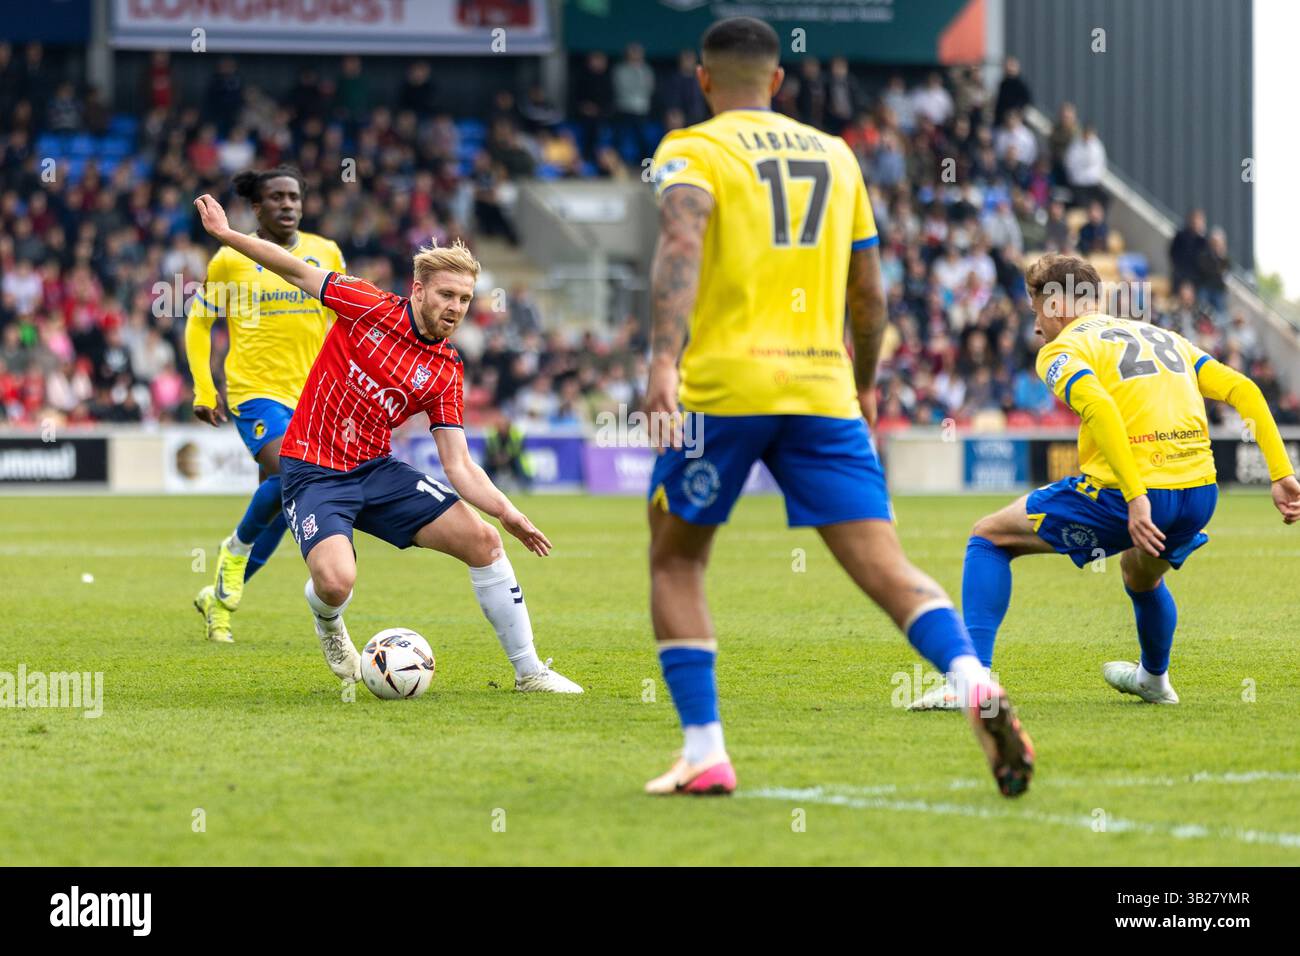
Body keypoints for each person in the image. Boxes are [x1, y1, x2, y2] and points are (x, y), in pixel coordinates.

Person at [642, 16, 1034, 798]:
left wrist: (659, 358)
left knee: (677, 555)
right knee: (886, 568)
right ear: (779, 82)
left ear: (704, 79)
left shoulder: (692, 147)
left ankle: (706, 751)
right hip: (823, 389)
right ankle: (968, 677)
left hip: (726, 388)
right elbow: (871, 290)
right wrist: (865, 381)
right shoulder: (837, 154)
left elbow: (683, 239)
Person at [192, 192, 582, 694]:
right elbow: (293, 269)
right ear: (418, 290)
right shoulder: (366, 305)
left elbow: (458, 465)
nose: (455, 308)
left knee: (484, 542)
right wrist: (228, 236)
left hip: (376, 470)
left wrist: (507, 513)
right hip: (312, 468)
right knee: (335, 583)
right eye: (446, 295)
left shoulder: (446, 371)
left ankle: (530, 672)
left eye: (464, 299)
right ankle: (329, 624)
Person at [910, 254, 1300, 710]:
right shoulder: (1163, 336)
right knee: (1140, 575)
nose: (1035, 323)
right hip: (1199, 493)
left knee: (988, 538)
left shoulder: (1060, 350)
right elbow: (1244, 390)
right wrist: (1281, 473)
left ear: (1055, 305)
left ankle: (969, 683)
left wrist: (1136, 498)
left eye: (1036, 308)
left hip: (1131, 494)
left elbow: (1100, 409)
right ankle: (1154, 678)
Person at [186, 166, 345, 644]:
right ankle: (233, 551)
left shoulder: (325, 252)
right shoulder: (230, 260)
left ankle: (217, 600)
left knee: (282, 505)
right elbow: (199, 324)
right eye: (276, 197)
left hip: (316, 396)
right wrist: (202, 387)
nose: (288, 204)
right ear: (256, 207)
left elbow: (344, 318)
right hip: (256, 391)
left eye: (294, 196)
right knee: (289, 470)